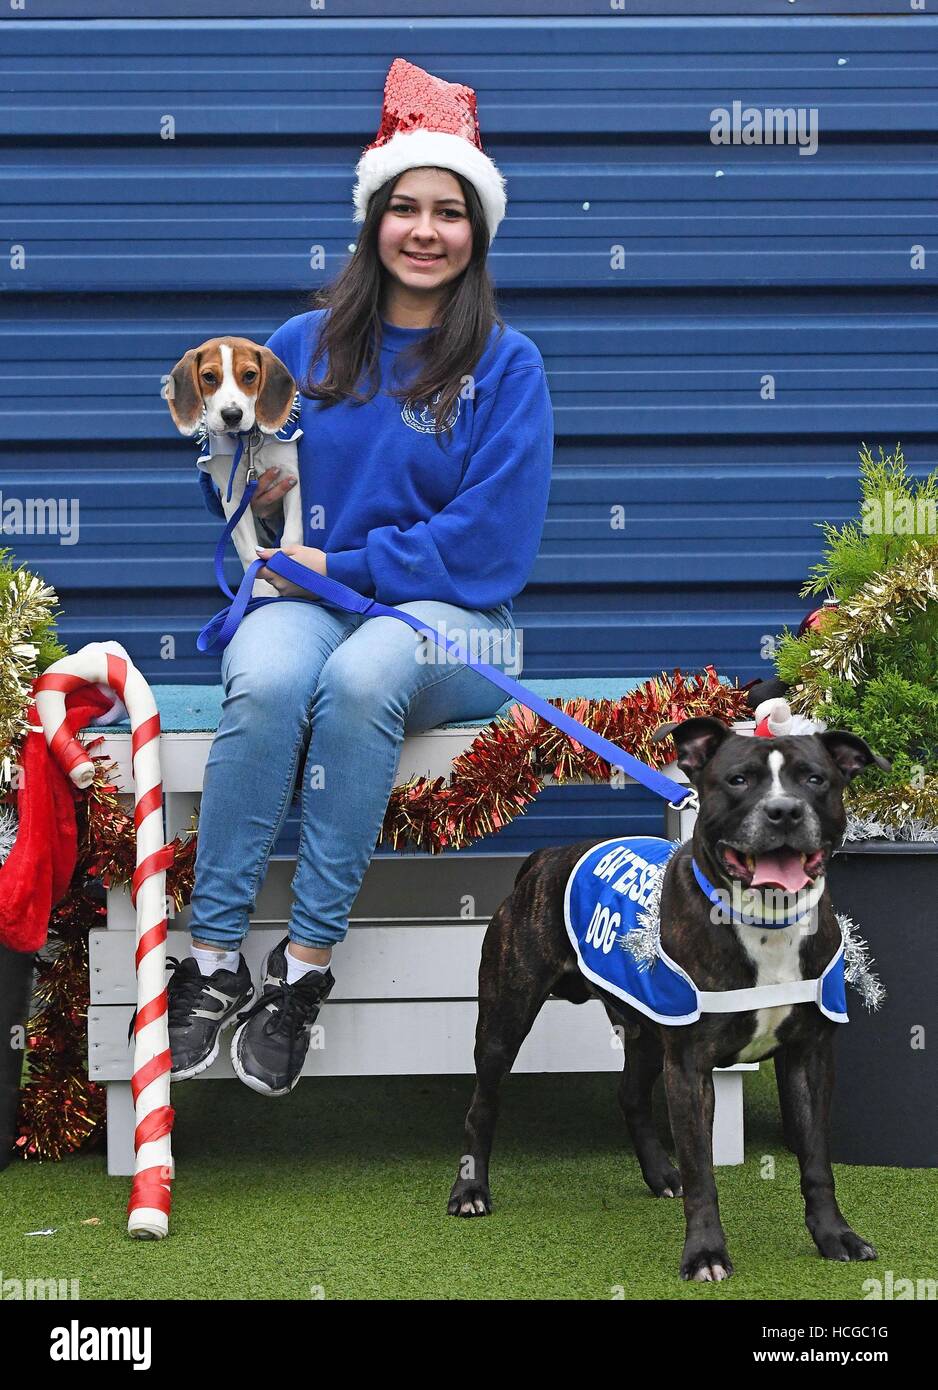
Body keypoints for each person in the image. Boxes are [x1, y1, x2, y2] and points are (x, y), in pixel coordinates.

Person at [167, 58, 554, 1097]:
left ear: (477, 231)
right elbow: (250, 478)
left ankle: (303, 971)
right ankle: (209, 964)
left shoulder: (505, 365)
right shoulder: (297, 348)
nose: (424, 230)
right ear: (372, 218)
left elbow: (488, 545)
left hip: (456, 620)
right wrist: (243, 495)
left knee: (360, 678)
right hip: (308, 601)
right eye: (404, 207)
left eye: (449, 211)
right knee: (268, 677)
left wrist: (344, 566)